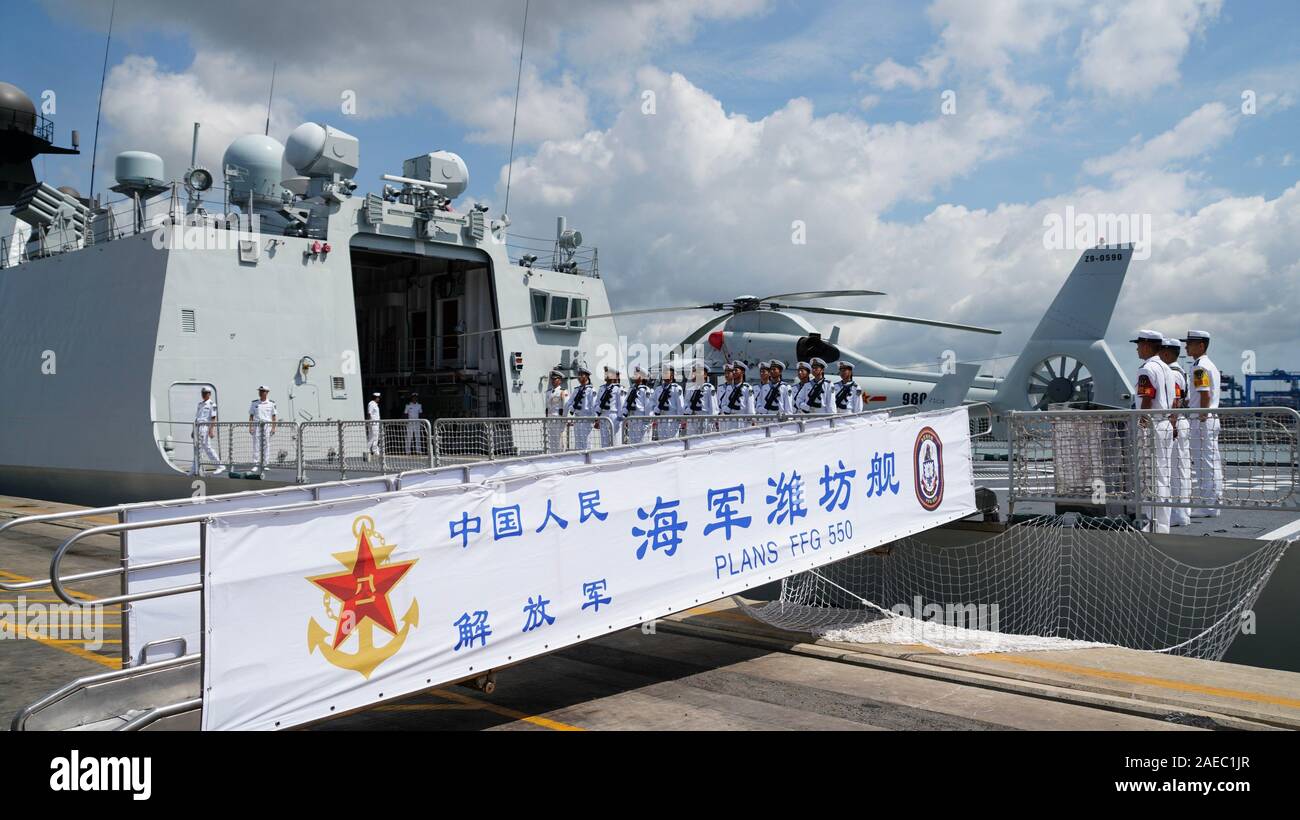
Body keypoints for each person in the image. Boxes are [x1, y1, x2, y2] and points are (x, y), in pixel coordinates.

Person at [1131, 329, 1174, 534]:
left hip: (1151, 424)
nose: (1138, 348)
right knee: (1163, 474)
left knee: (1151, 475)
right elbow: (1173, 400)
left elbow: (1147, 398)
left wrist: (1142, 422)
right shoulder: (1167, 368)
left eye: (1139, 344)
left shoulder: (1146, 370)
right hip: (1164, 422)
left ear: (1147, 345)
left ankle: (1155, 521)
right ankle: (1162, 522)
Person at [1181, 329, 1222, 518]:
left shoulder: (1199, 367)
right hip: (1207, 418)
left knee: (1204, 464)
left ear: (1201, 345)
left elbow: (1205, 394)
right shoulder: (1207, 365)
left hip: (1202, 420)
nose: (1186, 346)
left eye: (1190, 343)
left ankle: (1209, 506)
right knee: (1210, 462)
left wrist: (1202, 416)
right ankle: (1213, 503)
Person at [1159, 339, 1191, 527]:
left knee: (1176, 471)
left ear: (1167, 353)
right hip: (1179, 422)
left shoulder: (1173, 373)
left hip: (1176, 423)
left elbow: (1176, 401)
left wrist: (1172, 425)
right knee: (1181, 469)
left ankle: (1178, 514)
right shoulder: (1179, 371)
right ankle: (1181, 512)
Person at [192, 387, 225, 475]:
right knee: (197, 448)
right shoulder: (200, 404)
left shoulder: (212, 404)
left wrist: (211, 430)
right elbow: (197, 417)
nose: (204, 394)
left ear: (209, 394)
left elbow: (213, 418)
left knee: (208, 448)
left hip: (205, 428)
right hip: (198, 427)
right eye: (203, 393)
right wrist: (193, 430)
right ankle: (195, 468)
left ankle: (220, 466)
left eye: (206, 393)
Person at [566, 365, 597, 449]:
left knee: (586, 442)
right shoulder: (577, 390)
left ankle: (588, 460)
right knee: (578, 442)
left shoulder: (591, 390)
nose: (579, 377)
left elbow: (593, 405)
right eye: (578, 375)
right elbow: (569, 402)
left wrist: (595, 419)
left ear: (587, 376)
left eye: (581, 375)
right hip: (577, 418)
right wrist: (565, 415)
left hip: (587, 419)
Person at [247, 385, 278, 472]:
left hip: (267, 426)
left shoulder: (271, 403)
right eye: (260, 391)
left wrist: (273, 428)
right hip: (257, 425)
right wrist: (250, 427)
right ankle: (256, 464)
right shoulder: (254, 403)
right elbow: (251, 416)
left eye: (262, 391)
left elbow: (274, 417)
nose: (260, 393)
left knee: (266, 445)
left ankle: (265, 464)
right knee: (256, 445)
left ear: (267, 392)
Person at [653, 363, 685, 439]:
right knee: (661, 441)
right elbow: (652, 402)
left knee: (672, 441)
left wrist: (679, 419)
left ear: (672, 375)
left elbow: (680, 405)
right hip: (661, 419)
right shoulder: (658, 389)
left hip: (672, 420)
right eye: (663, 373)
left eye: (667, 373)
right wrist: (655, 408)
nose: (664, 375)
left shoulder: (677, 388)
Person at [685, 362, 718, 434]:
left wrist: (712, 421)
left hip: (704, 419)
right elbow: (686, 404)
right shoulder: (690, 388)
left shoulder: (709, 387)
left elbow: (713, 406)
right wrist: (688, 410)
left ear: (705, 375)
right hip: (692, 419)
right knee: (691, 439)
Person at [624, 365, 654, 444]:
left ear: (642, 377)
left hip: (641, 421)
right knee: (632, 444)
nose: (634, 375)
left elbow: (649, 408)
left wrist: (647, 423)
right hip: (632, 420)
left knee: (642, 444)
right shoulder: (631, 389)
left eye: (636, 374)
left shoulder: (646, 390)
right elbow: (626, 403)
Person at [596, 366, 625, 447]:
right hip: (603, 415)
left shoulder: (618, 388)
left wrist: (620, 418)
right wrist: (597, 417)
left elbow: (621, 404)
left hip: (614, 415)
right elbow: (597, 403)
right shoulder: (601, 388)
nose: (605, 375)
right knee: (604, 441)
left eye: (607, 373)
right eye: (605, 373)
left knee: (615, 441)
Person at [721, 361, 755, 428]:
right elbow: (723, 403)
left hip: (742, 420)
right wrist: (726, 409)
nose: (733, 372)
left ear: (742, 372)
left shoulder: (747, 387)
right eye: (733, 370)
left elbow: (750, 405)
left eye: (736, 370)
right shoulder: (729, 387)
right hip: (730, 419)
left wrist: (751, 419)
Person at [544, 370, 568, 452]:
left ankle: (561, 455)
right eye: (552, 379)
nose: (553, 381)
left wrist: (565, 419)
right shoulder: (548, 392)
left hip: (559, 419)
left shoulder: (563, 391)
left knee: (560, 439)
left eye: (555, 379)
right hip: (550, 419)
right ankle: (553, 455)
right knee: (552, 439)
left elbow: (565, 406)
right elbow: (547, 407)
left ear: (560, 380)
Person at [365, 391, 383, 460]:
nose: (379, 399)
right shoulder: (371, 404)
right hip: (373, 423)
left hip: (376, 423)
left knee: (373, 437)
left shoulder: (375, 404)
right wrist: (368, 422)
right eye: (378, 398)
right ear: (376, 398)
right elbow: (369, 413)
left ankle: (370, 451)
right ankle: (374, 451)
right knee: (374, 437)